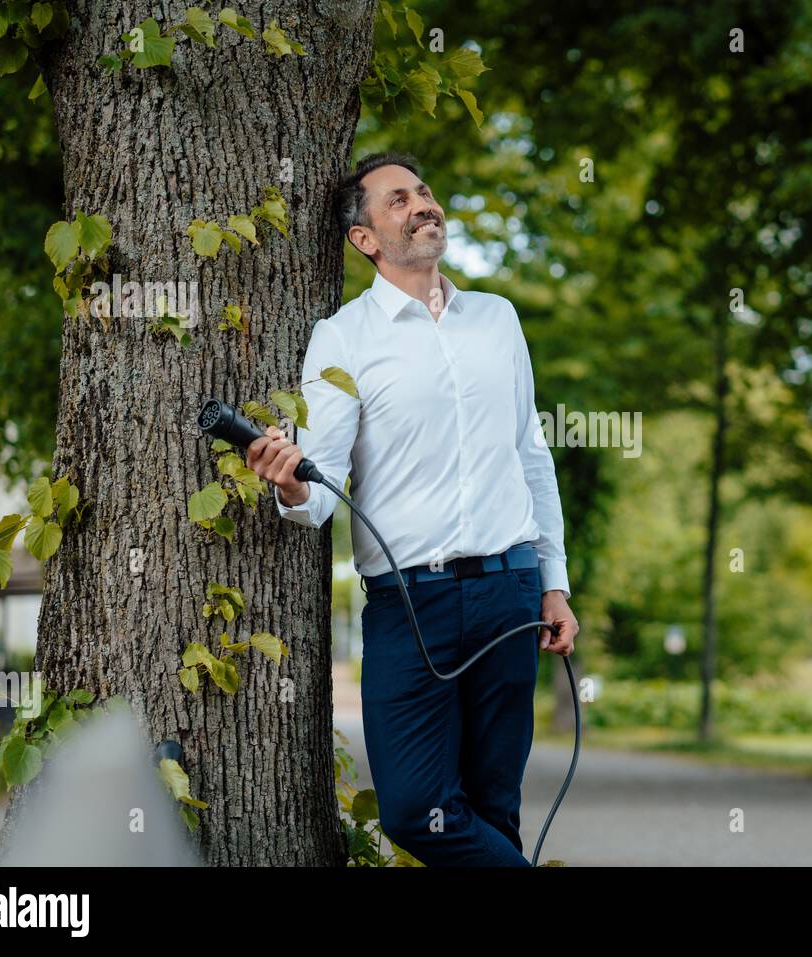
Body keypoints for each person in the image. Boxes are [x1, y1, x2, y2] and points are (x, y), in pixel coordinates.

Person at [245, 151, 579, 866]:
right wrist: (289, 484)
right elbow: (322, 482)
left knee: (494, 809)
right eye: (398, 200)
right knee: (414, 811)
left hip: (512, 592)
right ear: (364, 238)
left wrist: (554, 584)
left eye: (424, 192)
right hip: (408, 604)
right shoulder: (342, 337)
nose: (423, 204)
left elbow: (531, 454)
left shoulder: (497, 319)